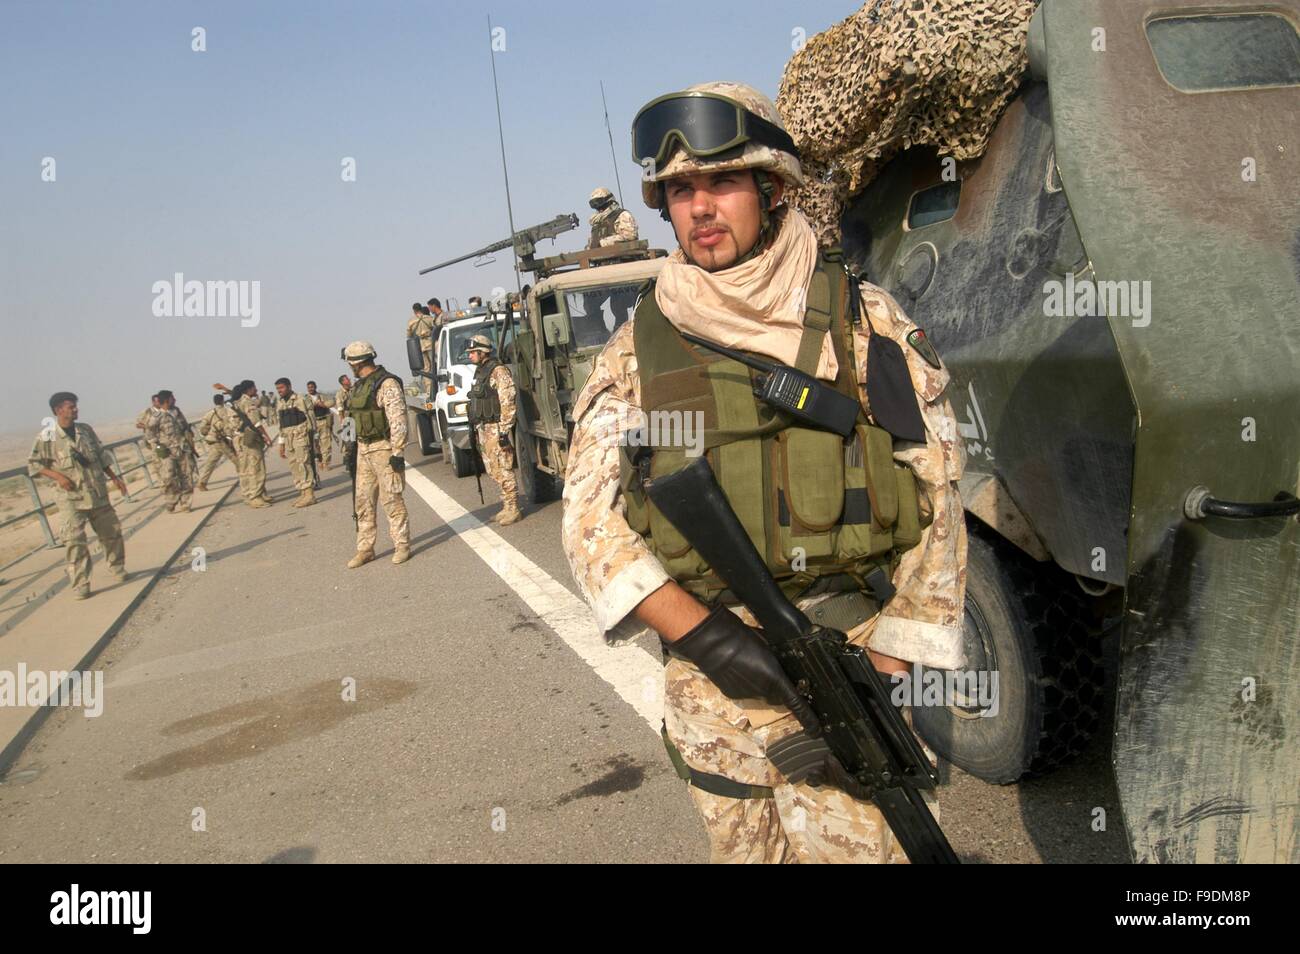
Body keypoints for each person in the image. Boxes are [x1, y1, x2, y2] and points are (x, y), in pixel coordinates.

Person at [560, 82, 967, 863]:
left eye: (722, 183)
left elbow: (939, 495)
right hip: (714, 697)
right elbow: (588, 520)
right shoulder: (638, 347)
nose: (700, 207)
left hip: (851, 663)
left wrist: (883, 669)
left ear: (772, 191)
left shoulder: (863, 322)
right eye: (681, 190)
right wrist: (708, 639)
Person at [29, 392, 129, 599]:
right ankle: (81, 583)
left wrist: (115, 478)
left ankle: (117, 568)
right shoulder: (47, 436)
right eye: (71, 407)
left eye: (75, 406)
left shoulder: (85, 430)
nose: (75, 410)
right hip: (71, 498)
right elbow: (35, 465)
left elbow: (101, 457)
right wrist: (58, 476)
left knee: (112, 533)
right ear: (58, 410)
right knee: (75, 542)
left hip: (97, 493)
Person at [341, 341, 410, 566]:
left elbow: (397, 419)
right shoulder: (357, 387)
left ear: (356, 362)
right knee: (363, 501)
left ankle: (401, 545)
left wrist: (398, 452)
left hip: (384, 447)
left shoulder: (386, 383)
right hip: (363, 450)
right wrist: (348, 447)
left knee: (391, 500)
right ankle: (365, 548)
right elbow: (350, 418)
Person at [466, 334, 521, 525]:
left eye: (473, 352)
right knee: (493, 469)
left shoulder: (498, 371)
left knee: (503, 467)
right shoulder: (481, 372)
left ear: (484, 352)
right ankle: (506, 505)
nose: (470, 355)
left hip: (497, 427)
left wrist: (504, 431)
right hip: (484, 427)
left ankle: (513, 507)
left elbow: (508, 402)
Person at [144, 389, 196, 512]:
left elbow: (185, 427)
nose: (175, 400)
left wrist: (190, 442)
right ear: (167, 400)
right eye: (173, 398)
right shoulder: (156, 417)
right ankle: (171, 500)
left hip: (182, 449)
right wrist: (158, 448)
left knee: (187, 476)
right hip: (166, 453)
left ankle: (186, 504)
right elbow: (149, 435)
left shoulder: (176, 412)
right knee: (168, 478)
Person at [228, 380, 274, 508]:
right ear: (249, 389)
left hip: (241, 438)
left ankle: (253, 494)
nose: (256, 389)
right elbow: (256, 422)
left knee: (247, 468)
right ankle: (255, 497)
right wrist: (266, 436)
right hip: (250, 438)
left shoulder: (237, 402)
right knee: (256, 467)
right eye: (254, 387)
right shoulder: (247, 401)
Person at [274, 378, 319, 508]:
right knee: (294, 465)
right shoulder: (280, 402)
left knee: (303, 463)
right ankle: (303, 492)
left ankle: (309, 494)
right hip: (288, 439)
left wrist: (314, 438)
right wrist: (281, 443)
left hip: (301, 436)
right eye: (278, 389)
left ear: (289, 386)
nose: (279, 391)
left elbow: (311, 419)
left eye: (281, 388)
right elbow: (280, 424)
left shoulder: (301, 399)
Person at [196, 393, 239, 491]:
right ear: (222, 401)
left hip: (214, 440)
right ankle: (246, 476)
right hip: (221, 440)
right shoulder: (227, 411)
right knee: (235, 458)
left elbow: (202, 427)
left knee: (211, 462)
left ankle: (202, 482)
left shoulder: (210, 413)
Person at [306, 380, 334, 469]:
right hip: (313, 424)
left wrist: (323, 404)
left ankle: (326, 463)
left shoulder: (322, 396)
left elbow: (332, 402)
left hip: (324, 422)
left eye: (312, 387)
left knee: (326, 443)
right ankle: (320, 461)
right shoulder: (305, 398)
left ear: (315, 387)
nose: (310, 389)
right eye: (309, 387)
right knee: (315, 444)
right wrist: (313, 405)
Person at [407, 302, 435, 376]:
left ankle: (429, 386)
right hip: (430, 344)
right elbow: (436, 329)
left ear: (414, 310)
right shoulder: (429, 318)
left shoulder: (411, 321)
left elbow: (409, 335)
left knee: (426, 368)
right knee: (435, 364)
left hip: (420, 346)